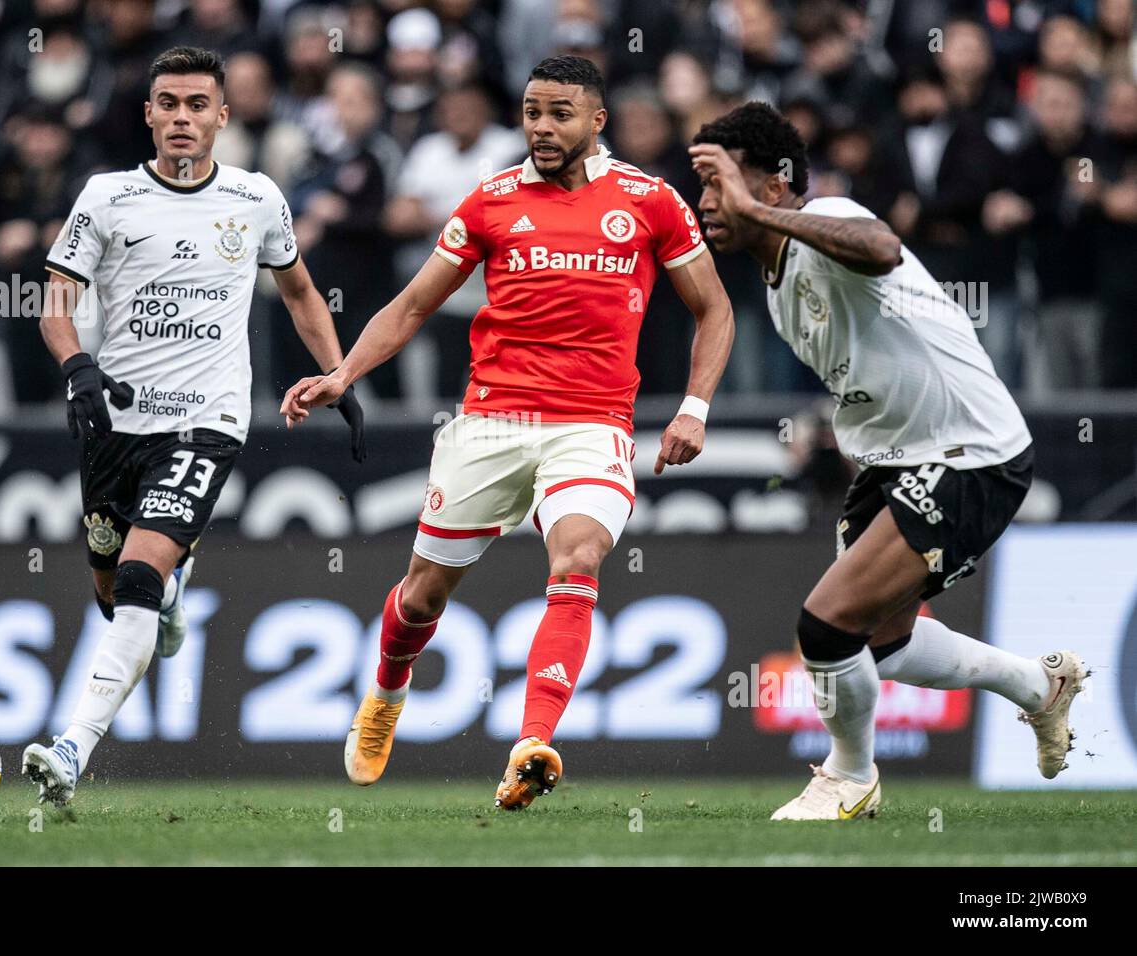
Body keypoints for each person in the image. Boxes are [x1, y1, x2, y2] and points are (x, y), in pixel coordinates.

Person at [281, 56, 734, 809]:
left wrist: (696, 407)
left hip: (592, 424)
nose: (542, 127)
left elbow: (714, 307)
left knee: (578, 555)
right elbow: (413, 304)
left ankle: (532, 741)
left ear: (597, 120)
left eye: (559, 113)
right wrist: (344, 373)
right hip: (491, 422)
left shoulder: (650, 201)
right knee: (423, 597)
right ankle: (389, 689)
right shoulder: (492, 200)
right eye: (531, 112)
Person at [690, 102, 1086, 821]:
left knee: (825, 627)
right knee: (884, 645)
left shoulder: (829, 218)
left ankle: (851, 778)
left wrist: (759, 210)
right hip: (892, 463)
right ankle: (1037, 685)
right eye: (705, 187)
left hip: (969, 451)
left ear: (776, 186)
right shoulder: (777, 286)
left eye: (723, 184)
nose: (709, 204)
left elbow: (879, 246)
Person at [22, 46, 364, 806]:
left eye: (197, 105)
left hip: (208, 422)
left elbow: (302, 292)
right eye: (168, 104)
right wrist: (77, 365)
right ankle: (170, 599)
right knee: (116, 593)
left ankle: (72, 749)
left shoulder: (256, 198)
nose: (182, 118)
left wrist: (337, 373)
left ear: (222, 115)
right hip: (114, 422)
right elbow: (56, 303)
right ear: (148, 114)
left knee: (139, 574)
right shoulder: (105, 197)